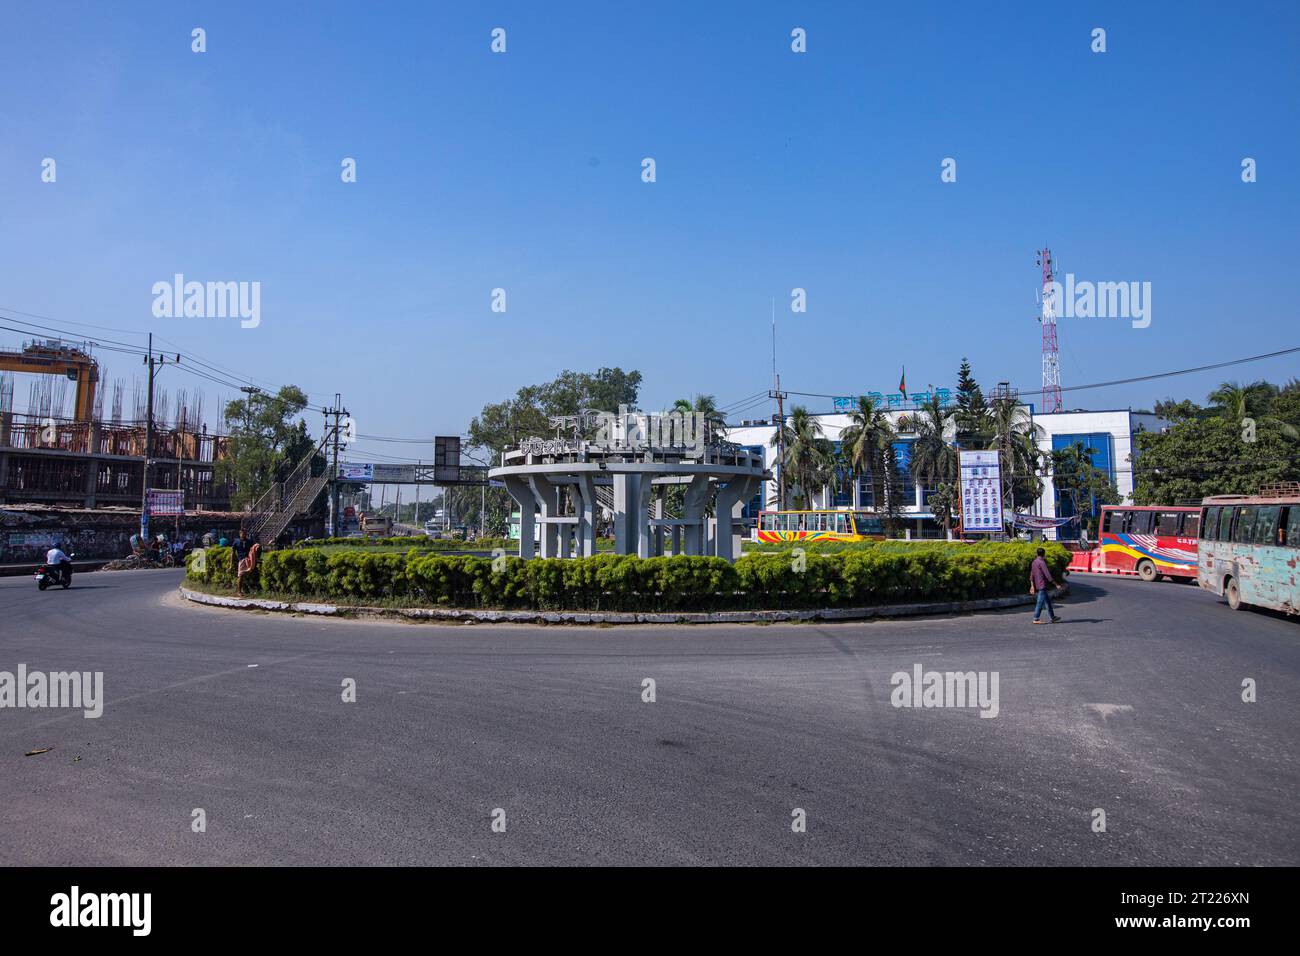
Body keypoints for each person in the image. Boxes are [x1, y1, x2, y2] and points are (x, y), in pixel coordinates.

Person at [1030, 547, 1061, 625]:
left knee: (1047, 602)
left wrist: (1032, 586)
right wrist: (1056, 584)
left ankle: (1052, 617)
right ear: (1044, 554)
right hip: (1042, 585)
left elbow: (1032, 575)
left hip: (1037, 584)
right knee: (1040, 602)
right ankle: (1036, 618)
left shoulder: (1034, 562)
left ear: (1037, 554)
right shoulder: (1042, 562)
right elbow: (1048, 575)